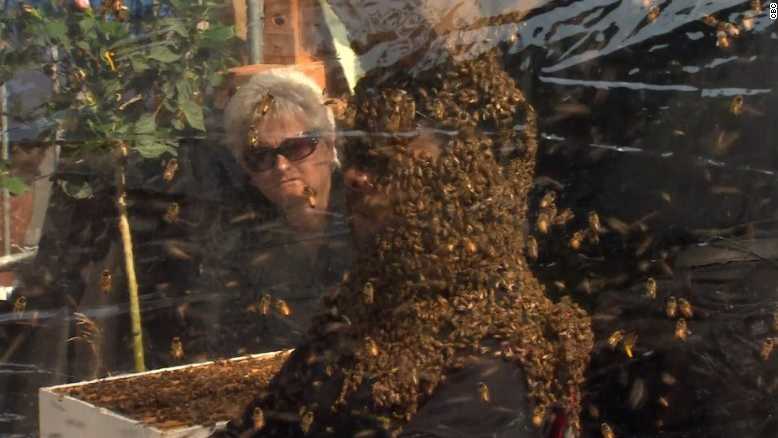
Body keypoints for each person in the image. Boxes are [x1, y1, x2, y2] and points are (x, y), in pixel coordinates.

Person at [216, 49, 593, 438]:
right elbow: (257, 427)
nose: (356, 178)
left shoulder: (497, 359)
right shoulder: (356, 310)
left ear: (454, 188)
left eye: (385, 163)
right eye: (357, 155)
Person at [190, 69, 351, 359]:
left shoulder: (367, 218)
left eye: (297, 147)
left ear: (329, 145)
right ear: (246, 170)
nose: (281, 166)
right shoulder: (241, 245)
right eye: (261, 156)